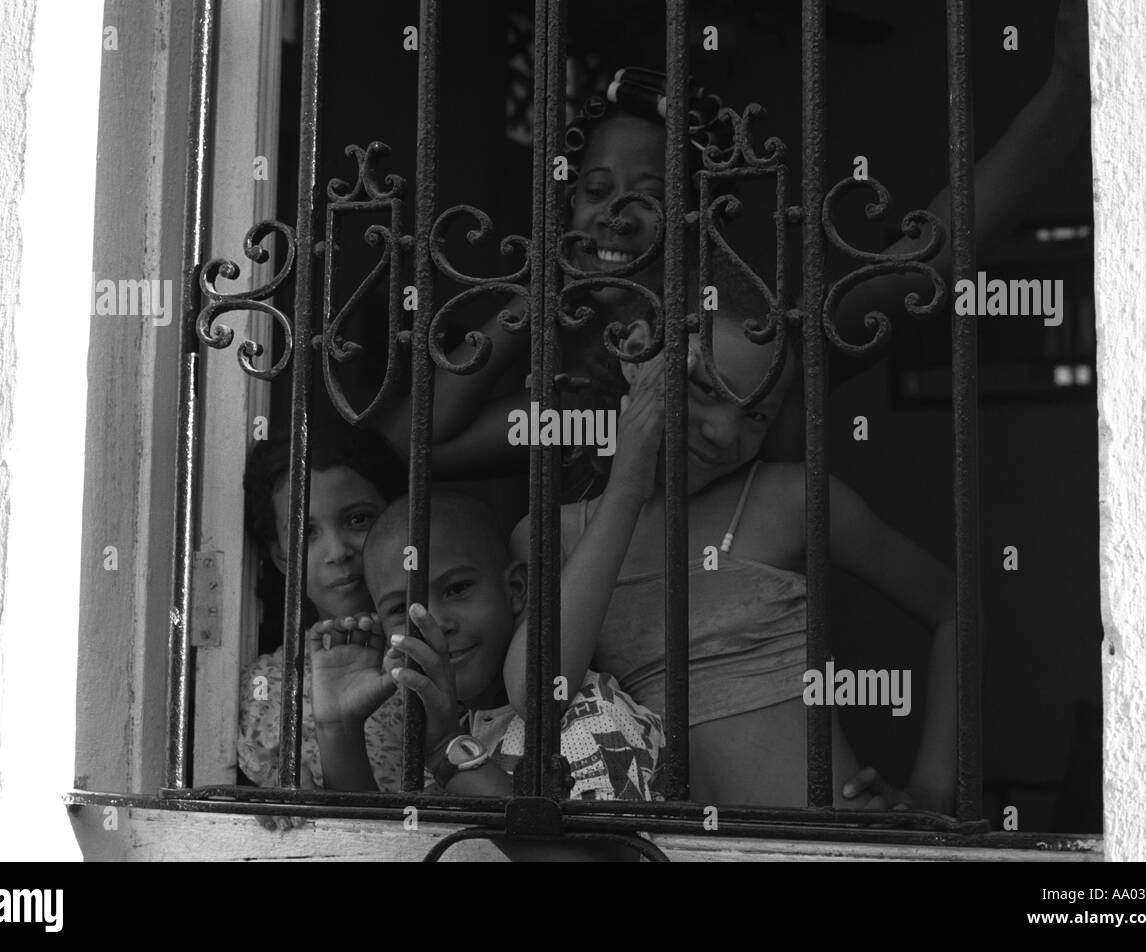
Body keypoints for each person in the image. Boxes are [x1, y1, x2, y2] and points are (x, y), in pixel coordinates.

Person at [369, 0, 1090, 490]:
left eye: (648, 193)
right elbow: (411, 443)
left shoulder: (760, 332)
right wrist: (536, 295)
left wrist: (1066, 88)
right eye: (593, 189)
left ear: (693, 215)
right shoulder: (579, 389)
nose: (613, 214)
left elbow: (928, 259)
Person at [505, 295, 957, 810]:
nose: (724, 432)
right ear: (635, 353)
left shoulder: (790, 500)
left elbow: (954, 610)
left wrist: (935, 791)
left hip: (833, 846)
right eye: (704, 389)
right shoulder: (555, 535)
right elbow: (537, 697)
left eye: (756, 416)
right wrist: (627, 485)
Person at [306, 488, 663, 803]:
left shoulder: (586, 718)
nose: (436, 622)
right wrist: (338, 728)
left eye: (456, 589)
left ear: (516, 590)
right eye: (401, 609)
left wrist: (449, 751)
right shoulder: (466, 724)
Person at [237, 419, 408, 792]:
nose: (338, 553)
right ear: (282, 558)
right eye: (306, 533)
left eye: (358, 520)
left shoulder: (440, 647)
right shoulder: (266, 688)